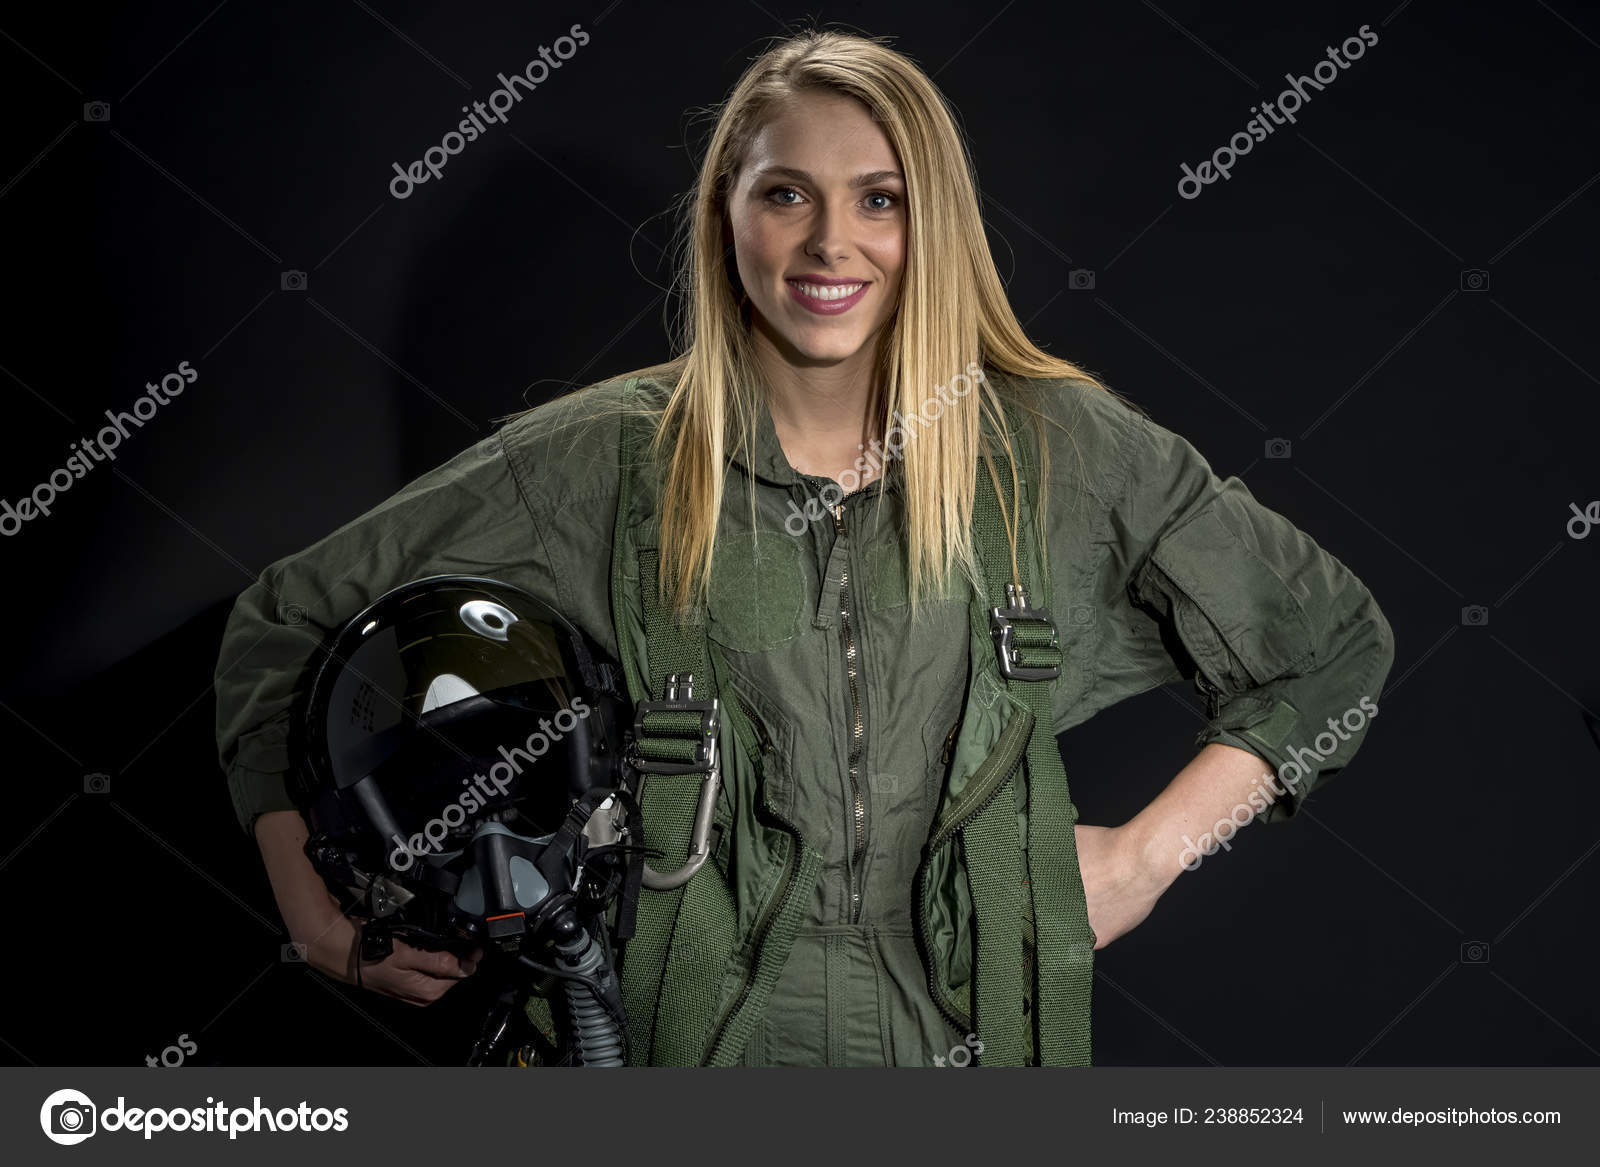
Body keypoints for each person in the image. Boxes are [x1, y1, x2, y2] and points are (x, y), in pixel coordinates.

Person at [214, 29, 1395, 1065]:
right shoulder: (599, 462)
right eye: (786, 194)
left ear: (930, 220)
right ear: (726, 210)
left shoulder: (1054, 449)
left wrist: (1143, 860)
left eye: (879, 198)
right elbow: (290, 621)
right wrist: (313, 908)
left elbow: (1330, 647)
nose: (832, 242)